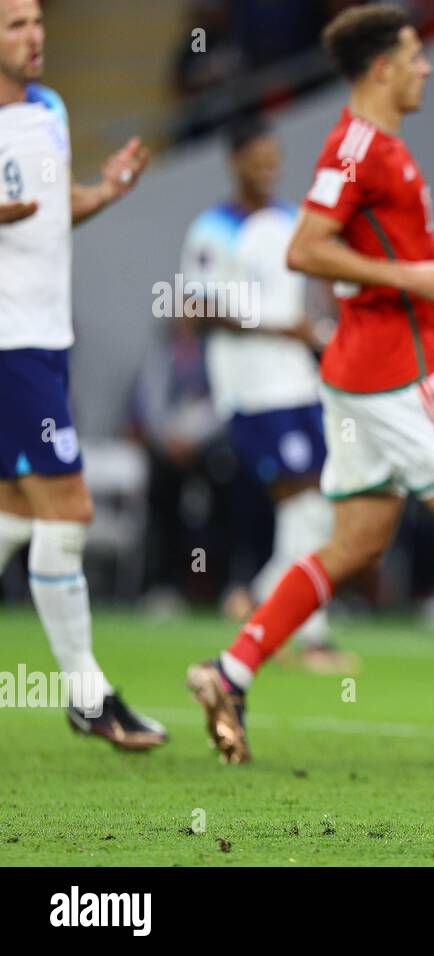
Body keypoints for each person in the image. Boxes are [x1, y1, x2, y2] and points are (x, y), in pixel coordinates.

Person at [185, 3, 434, 764]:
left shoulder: (375, 146)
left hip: (362, 371)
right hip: (401, 370)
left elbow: (358, 244)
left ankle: (229, 670)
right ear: (382, 67)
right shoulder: (358, 146)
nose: (427, 66)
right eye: (417, 55)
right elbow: (307, 249)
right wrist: (410, 272)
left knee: (355, 544)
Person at [0, 0, 165, 749]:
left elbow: (50, 212)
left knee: (18, 513)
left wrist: (104, 190)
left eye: (37, 21)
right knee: (68, 511)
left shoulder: (52, 110)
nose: (35, 38)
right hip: (10, 346)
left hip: (45, 338)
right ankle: (87, 695)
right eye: (15, 26)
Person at [179, 114, 354, 674]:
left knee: (320, 500)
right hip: (251, 389)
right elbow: (194, 307)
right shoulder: (213, 228)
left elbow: (315, 288)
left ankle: (258, 599)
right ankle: (312, 636)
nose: (269, 167)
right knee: (306, 499)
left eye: (274, 157)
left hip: (299, 380)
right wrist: (281, 328)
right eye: (258, 157)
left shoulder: (289, 221)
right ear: (235, 161)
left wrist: (322, 327)